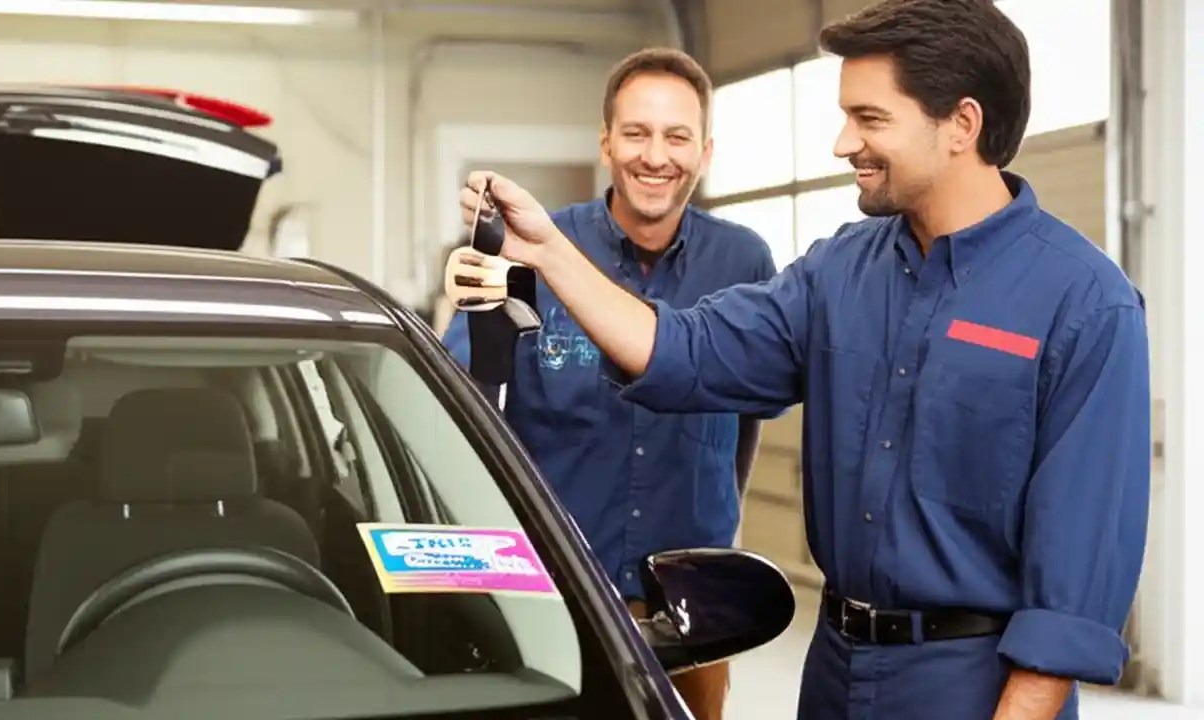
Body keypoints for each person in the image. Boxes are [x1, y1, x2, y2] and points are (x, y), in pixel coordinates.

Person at [444, 2, 1152, 719]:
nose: (845, 143)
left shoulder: (1085, 303)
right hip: (835, 669)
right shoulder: (839, 269)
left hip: (970, 681)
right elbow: (687, 350)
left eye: (870, 118)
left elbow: (1074, 583)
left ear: (961, 125)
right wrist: (549, 250)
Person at [441, 47, 776, 720]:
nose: (656, 155)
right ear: (606, 144)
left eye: (677, 136)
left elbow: (748, 418)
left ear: (704, 152)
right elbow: (466, 405)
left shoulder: (745, 260)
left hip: (696, 602)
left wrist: (719, 524)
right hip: (563, 587)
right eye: (636, 133)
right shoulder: (533, 249)